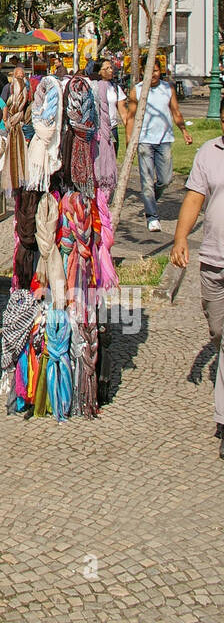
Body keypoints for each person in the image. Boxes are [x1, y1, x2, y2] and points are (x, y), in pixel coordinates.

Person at [171, 103, 224, 457]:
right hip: (213, 261)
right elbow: (194, 198)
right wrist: (180, 239)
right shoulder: (209, 152)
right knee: (219, 332)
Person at [124, 65, 192, 230]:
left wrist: (184, 131)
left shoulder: (167, 88)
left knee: (165, 179)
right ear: (142, 71)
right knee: (146, 181)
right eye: (149, 70)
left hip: (164, 139)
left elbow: (175, 111)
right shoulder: (138, 90)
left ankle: (151, 196)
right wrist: (129, 141)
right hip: (144, 141)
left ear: (160, 71)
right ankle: (152, 216)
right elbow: (131, 117)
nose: (152, 74)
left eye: (155, 70)